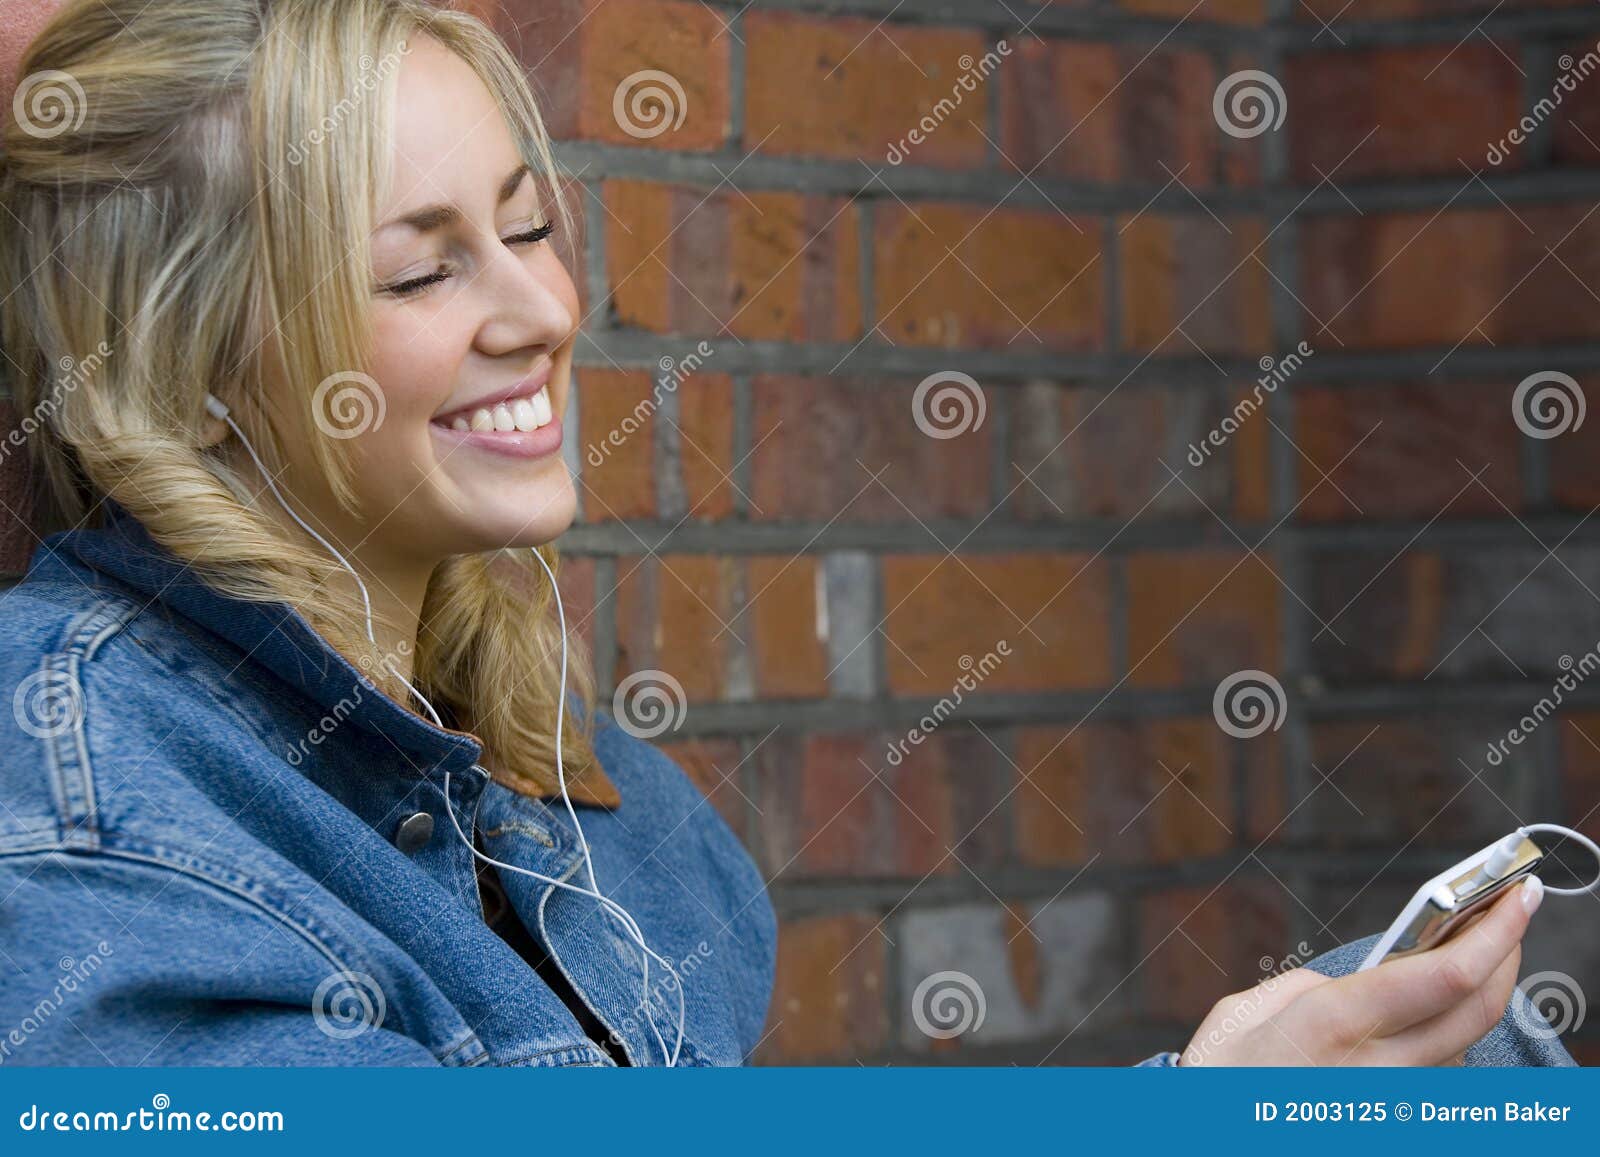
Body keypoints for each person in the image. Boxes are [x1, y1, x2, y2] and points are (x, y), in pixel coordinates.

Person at [0, 0, 1573, 1069]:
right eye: (424, 273)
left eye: (533, 228)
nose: (544, 311)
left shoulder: (573, 785)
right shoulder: (77, 808)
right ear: (190, 368)